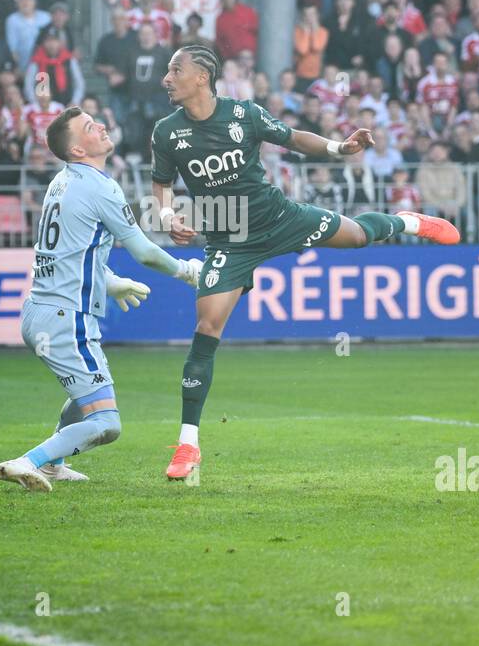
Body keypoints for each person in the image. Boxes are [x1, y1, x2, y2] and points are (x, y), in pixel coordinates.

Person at [151, 45, 460, 481]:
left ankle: (406, 221)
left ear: (201, 76)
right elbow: (161, 184)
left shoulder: (244, 115)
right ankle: (187, 445)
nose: (166, 77)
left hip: (280, 218)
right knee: (206, 329)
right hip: (230, 239)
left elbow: (294, 139)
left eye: (174, 69)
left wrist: (341, 146)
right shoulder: (166, 132)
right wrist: (166, 217)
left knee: (355, 237)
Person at [0, 106, 201, 491]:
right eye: (90, 127)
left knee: (85, 393)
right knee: (107, 424)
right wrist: (187, 271)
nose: (102, 125)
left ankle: (53, 464)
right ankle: (29, 462)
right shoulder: (100, 186)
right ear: (77, 150)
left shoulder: (62, 182)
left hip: (43, 311)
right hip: (64, 317)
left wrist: (111, 281)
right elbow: (144, 251)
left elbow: (71, 254)